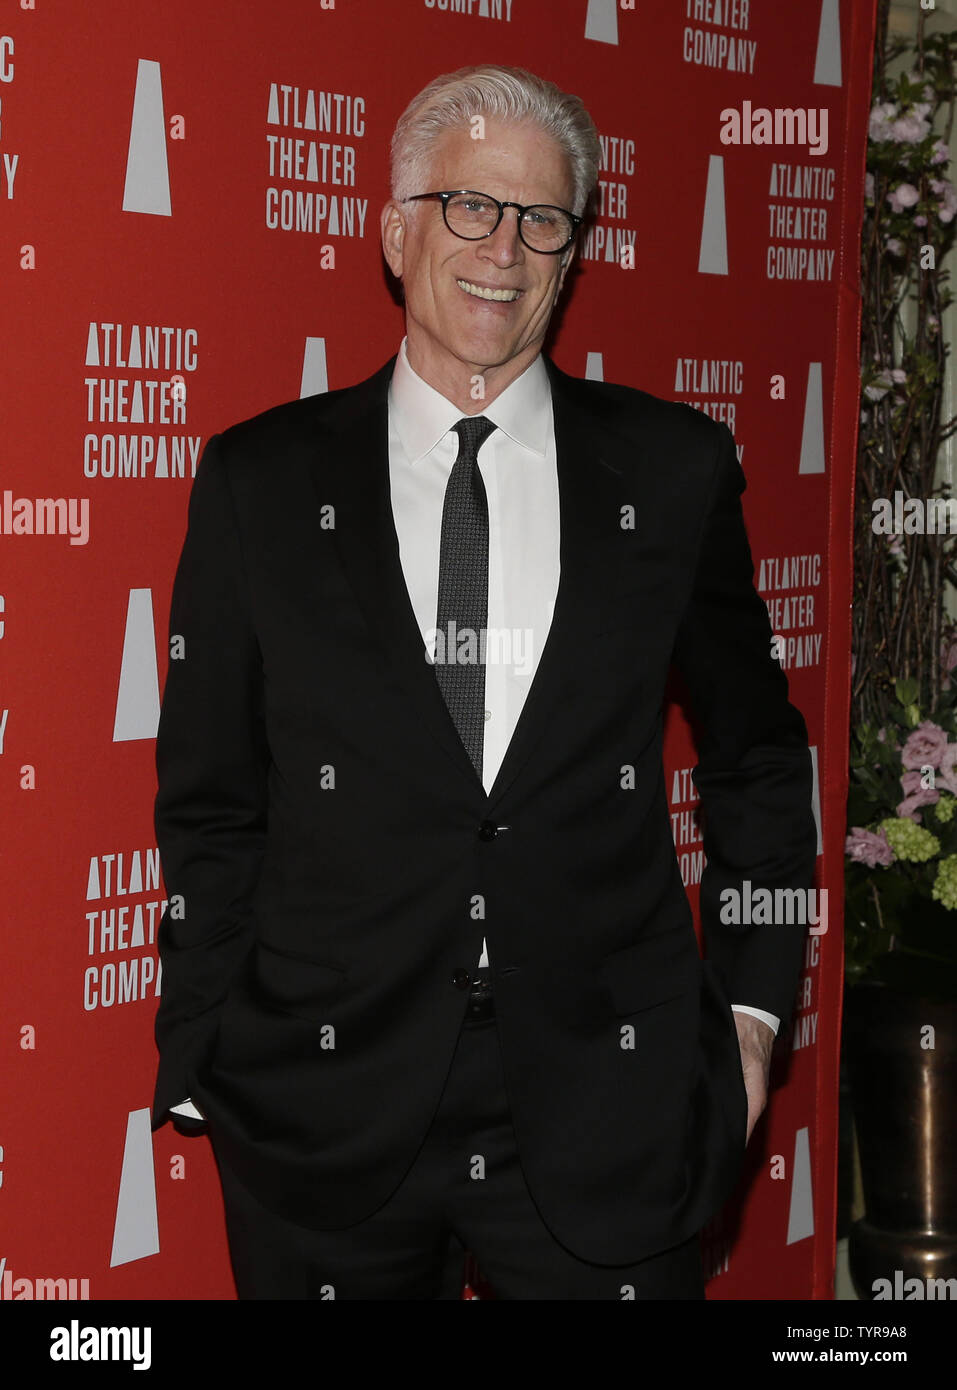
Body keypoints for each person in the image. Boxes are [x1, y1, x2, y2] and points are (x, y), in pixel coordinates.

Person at [151, 63, 817, 1300]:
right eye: (468, 205)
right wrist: (206, 1039)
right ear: (395, 228)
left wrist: (754, 1025)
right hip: (324, 1109)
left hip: (610, 1108)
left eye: (542, 218)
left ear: (572, 253)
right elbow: (210, 798)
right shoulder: (258, 483)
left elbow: (760, 759)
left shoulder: (672, 472)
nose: (503, 248)